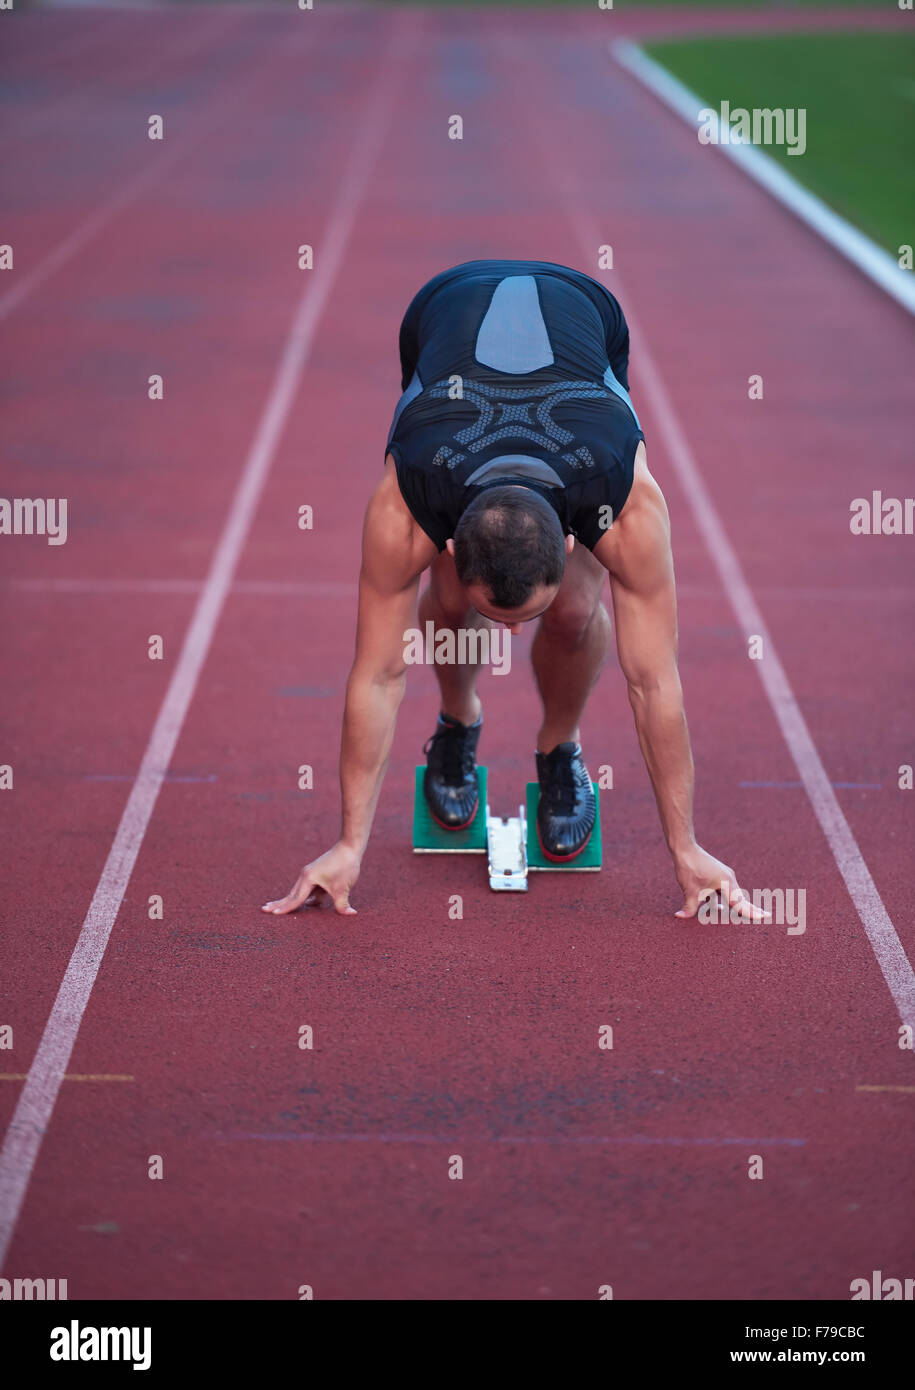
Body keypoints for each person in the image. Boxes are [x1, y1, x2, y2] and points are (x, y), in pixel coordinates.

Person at [263, 259, 765, 921]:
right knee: (441, 606)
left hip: (586, 316)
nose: (507, 636)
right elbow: (377, 673)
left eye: (520, 616)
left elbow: (652, 681)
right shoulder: (407, 503)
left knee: (578, 609)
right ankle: (457, 722)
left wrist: (687, 849)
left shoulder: (622, 499)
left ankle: (560, 750)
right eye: (494, 616)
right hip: (439, 313)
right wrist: (348, 844)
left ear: (569, 541)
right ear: (443, 543)